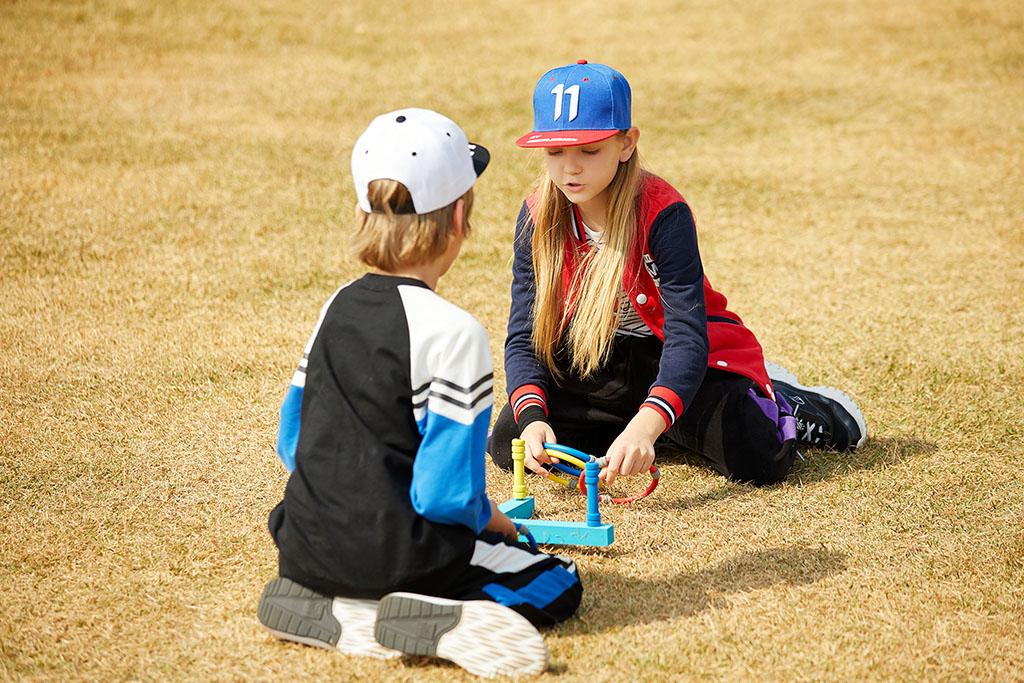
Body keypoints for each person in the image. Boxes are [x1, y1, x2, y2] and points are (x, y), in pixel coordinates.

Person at [259, 108, 581, 678]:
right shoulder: (454, 332)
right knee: (557, 580)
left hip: (303, 548)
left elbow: (293, 441)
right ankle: (442, 614)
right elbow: (444, 496)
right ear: (460, 216)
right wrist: (499, 522)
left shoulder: (334, 306)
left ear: (362, 212)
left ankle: (329, 603)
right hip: (407, 557)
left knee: (367, 552)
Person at [489, 61, 867, 487]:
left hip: (678, 356)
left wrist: (646, 424)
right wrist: (534, 418)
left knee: (756, 460)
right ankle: (661, 426)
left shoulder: (663, 212)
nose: (569, 168)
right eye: (555, 152)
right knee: (510, 444)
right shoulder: (538, 214)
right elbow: (523, 334)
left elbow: (687, 336)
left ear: (626, 143)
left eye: (589, 150)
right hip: (599, 362)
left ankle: (784, 399)